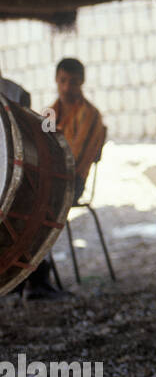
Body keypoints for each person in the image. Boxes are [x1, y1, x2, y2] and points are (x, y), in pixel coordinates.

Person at [22, 57, 107, 300]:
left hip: (72, 182)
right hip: (50, 178)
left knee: (39, 207)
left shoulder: (90, 115)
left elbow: (73, 159)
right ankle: (26, 274)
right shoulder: (51, 112)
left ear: (82, 83)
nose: (67, 87)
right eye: (62, 81)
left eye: (73, 82)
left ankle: (39, 276)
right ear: (56, 81)